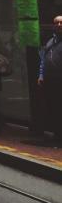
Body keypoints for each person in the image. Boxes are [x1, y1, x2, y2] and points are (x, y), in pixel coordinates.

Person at [35, 16, 62, 146]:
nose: (59, 25)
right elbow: (43, 60)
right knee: (53, 108)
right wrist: (41, 75)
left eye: (61, 22)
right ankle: (57, 135)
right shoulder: (50, 41)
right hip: (50, 81)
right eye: (56, 23)